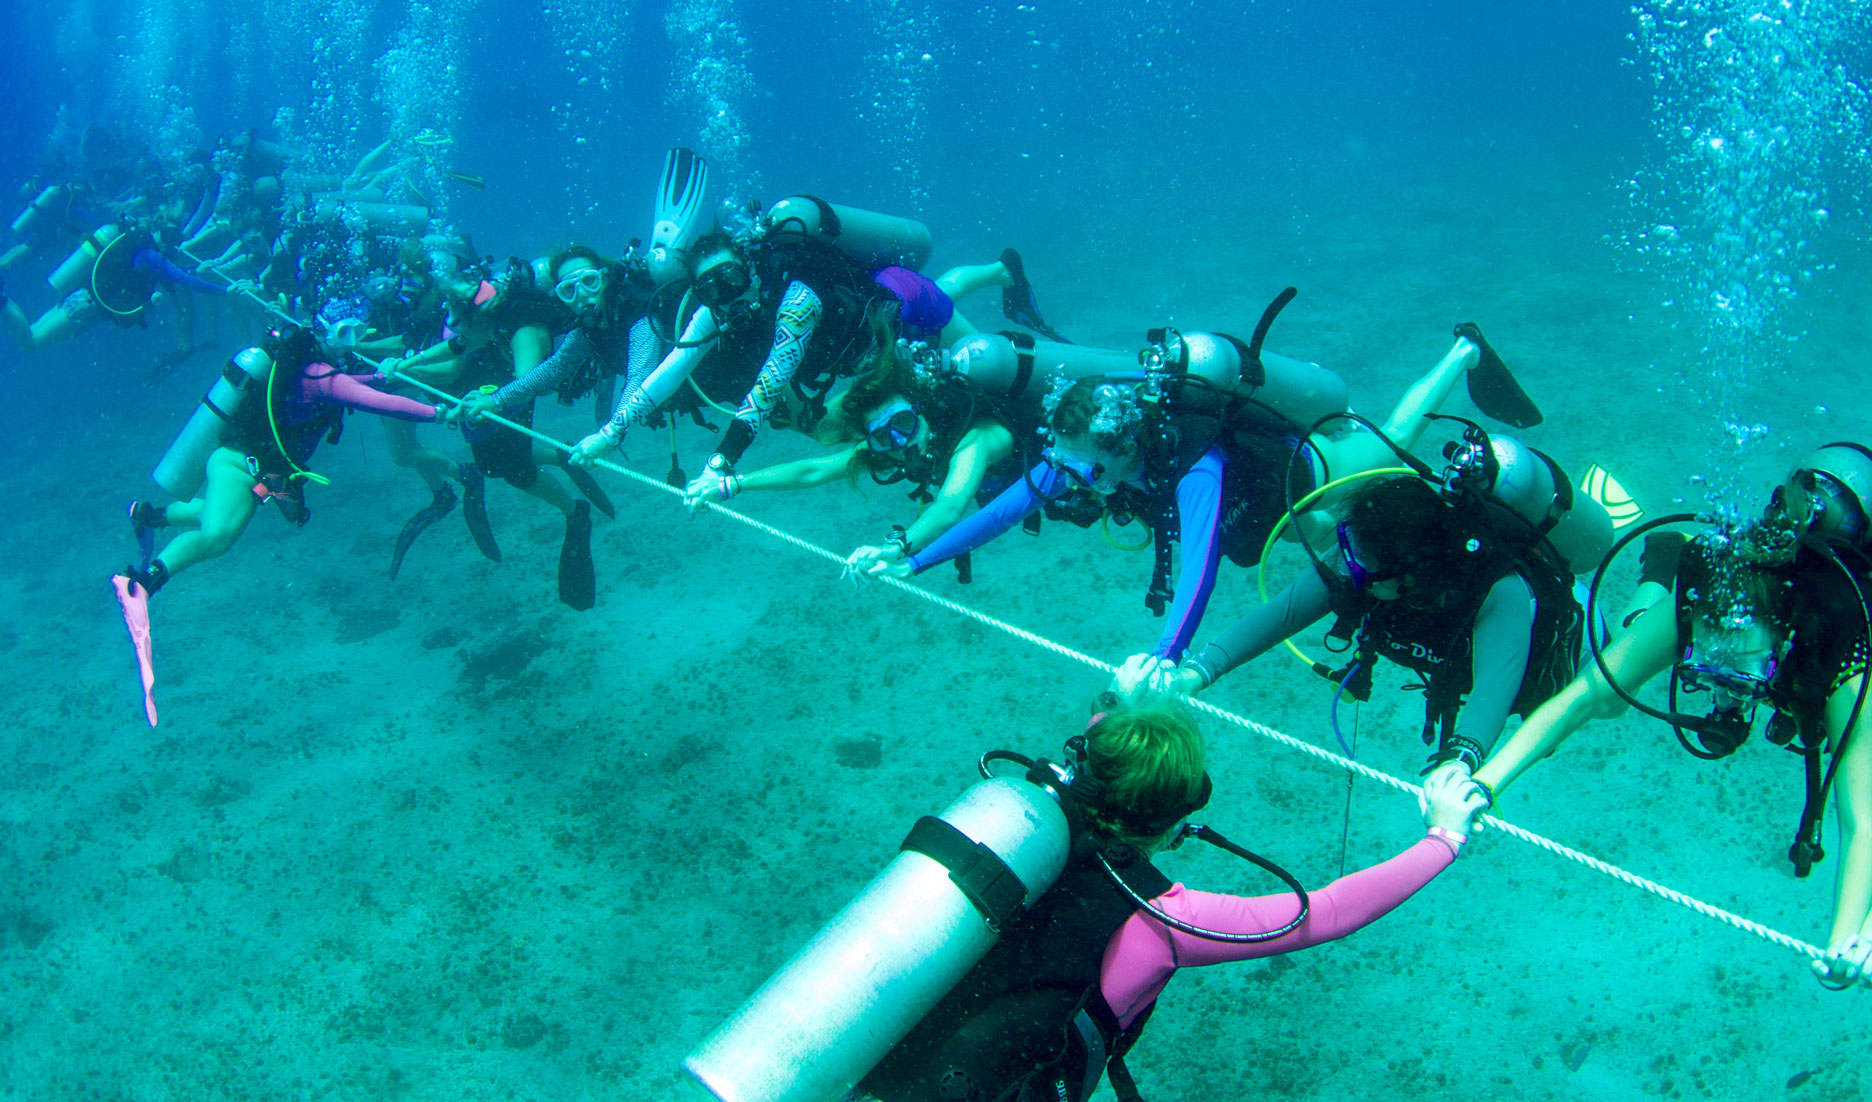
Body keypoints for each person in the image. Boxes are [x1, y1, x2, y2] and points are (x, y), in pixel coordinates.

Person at [856, 670, 1488, 1102]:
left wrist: (1120, 698)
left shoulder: (1012, 826)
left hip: (866, 1057)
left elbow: (1100, 753)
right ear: (1170, 819)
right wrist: (1444, 838)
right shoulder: (1159, 919)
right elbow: (1322, 914)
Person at [852, 327, 1533, 663]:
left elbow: (1201, 559)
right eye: (1070, 467)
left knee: (1392, 445)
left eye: (1087, 470)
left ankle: (1459, 354)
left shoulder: (1194, 464)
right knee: (1323, 536)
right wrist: (909, 560)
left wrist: (1166, 653)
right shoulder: (1084, 451)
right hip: (1269, 522)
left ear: (1123, 449)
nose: (1075, 482)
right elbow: (1005, 511)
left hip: (1306, 473)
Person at [1472, 444, 1872, 989]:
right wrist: (1481, 784)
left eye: (1737, 671)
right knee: (1615, 694)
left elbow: (1863, 817)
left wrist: (1852, 936)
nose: (1719, 686)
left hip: (1824, 669)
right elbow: (1583, 697)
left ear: (1783, 644)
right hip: (1720, 610)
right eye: (1707, 662)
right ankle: (1660, 561)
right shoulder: (1712, 588)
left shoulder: (1846, 664)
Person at [1141, 445, 1650, 777]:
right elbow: (1278, 617)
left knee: (1610, 700)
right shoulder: (1365, 558)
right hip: (1466, 649)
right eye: (1349, 551)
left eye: (1363, 567)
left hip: (1573, 638)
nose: (1348, 570)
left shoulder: (1501, 591)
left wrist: (1460, 760)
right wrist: (1194, 674)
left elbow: (1495, 691)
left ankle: (1658, 577)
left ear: (1412, 575)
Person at [112, 326, 453, 726]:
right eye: (347, 332)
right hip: (239, 464)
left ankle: (152, 517)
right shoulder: (323, 380)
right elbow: (380, 403)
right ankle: (141, 583)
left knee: (224, 515)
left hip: (246, 464)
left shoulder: (310, 373)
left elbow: (364, 385)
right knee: (217, 537)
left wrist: (383, 374)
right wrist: (441, 413)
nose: (353, 338)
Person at [568, 229, 1051, 486]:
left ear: (751, 272)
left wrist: (722, 461)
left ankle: (1001, 272)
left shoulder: (797, 300)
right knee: (947, 304)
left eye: (732, 280)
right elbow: (668, 373)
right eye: (711, 289)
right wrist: (609, 434)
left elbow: (771, 381)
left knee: (979, 355)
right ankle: (998, 270)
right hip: (861, 347)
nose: (727, 296)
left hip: (900, 301)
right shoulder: (714, 312)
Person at [676, 312, 1039, 567]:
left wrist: (896, 547)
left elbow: (949, 507)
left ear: (921, 408)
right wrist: (731, 484)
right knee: (825, 433)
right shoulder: (892, 449)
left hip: (1053, 462)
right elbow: (814, 471)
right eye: (883, 436)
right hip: (1007, 486)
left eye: (903, 422)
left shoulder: (976, 437)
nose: (901, 442)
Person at [385, 263, 600, 609]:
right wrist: (406, 365)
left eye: (466, 324)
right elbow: (457, 346)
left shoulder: (522, 332)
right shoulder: (490, 321)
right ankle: (561, 460)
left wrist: (490, 402)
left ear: (481, 318)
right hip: (506, 385)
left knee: (515, 470)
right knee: (492, 465)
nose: (461, 333)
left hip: (522, 384)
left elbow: (528, 385)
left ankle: (574, 512)